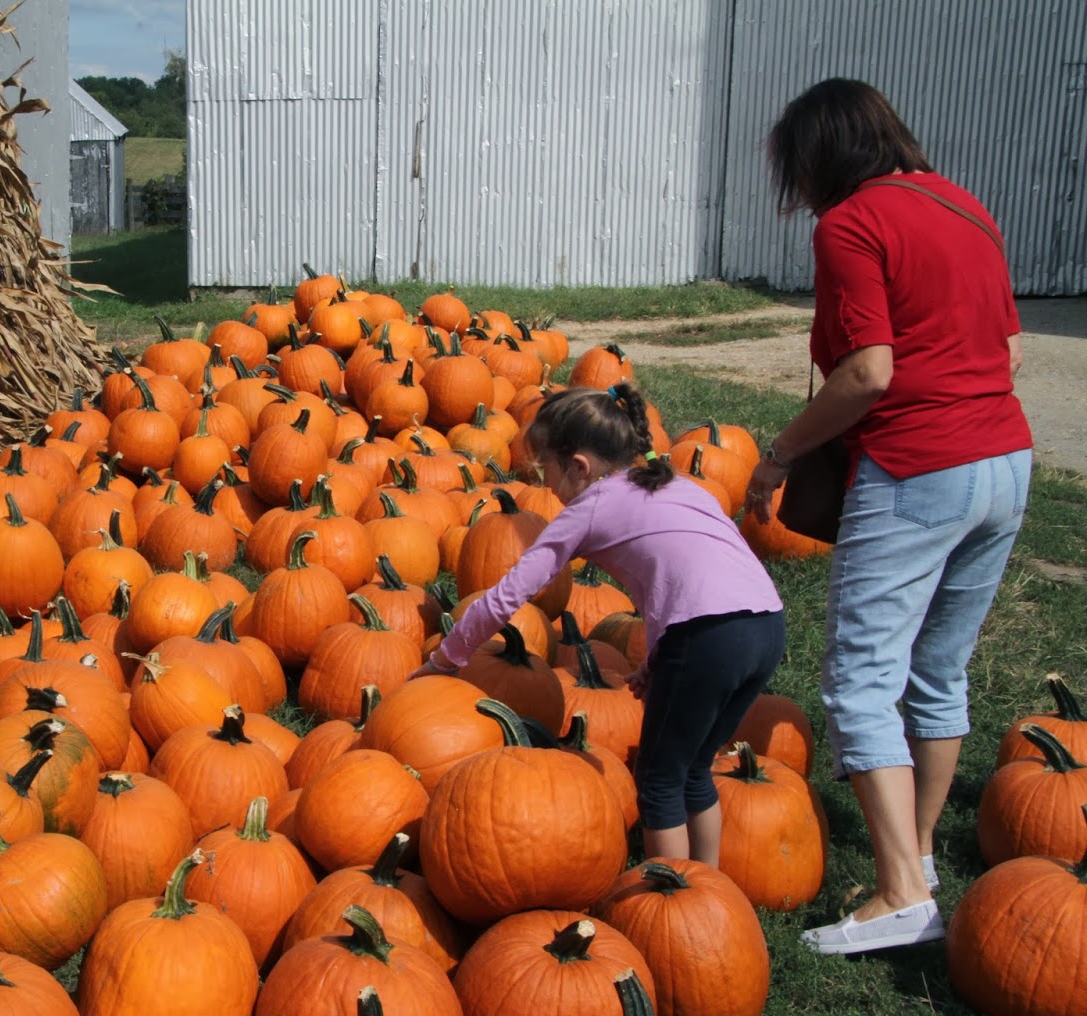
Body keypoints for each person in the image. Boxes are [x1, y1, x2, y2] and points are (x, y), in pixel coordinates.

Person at [749, 78, 1031, 955]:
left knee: (861, 677)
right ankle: (919, 857)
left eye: (797, 169)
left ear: (821, 156)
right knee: (938, 670)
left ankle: (902, 893)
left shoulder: (852, 223)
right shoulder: (965, 205)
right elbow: (1010, 350)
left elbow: (869, 371)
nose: (799, 191)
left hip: (919, 464)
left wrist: (780, 453)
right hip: (1005, 460)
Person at [414, 383, 785, 865]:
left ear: (579, 466)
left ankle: (678, 890)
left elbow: (507, 595)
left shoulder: (587, 509)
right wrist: (659, 659)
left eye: (544, 469)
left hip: (706, 638)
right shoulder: (676, 485)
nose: (545, 483)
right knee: (694, 768)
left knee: (659, 781)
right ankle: (710, 886)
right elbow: (687, 579)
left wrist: (447, 659)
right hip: (765, 625)